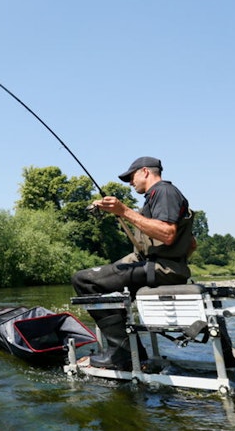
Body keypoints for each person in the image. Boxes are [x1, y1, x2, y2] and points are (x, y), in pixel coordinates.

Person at [71, 156, 197, 370]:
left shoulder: (164, 192)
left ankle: (122, 354)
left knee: (84, 281)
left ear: (145, 172)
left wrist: (124, 211)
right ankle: (131, 351)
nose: (130, 182)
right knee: (98, 279)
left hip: (160, 268)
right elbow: (191, 243)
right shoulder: (156, 197)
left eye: (132, 176)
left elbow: (167, 234)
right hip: (158, 264)